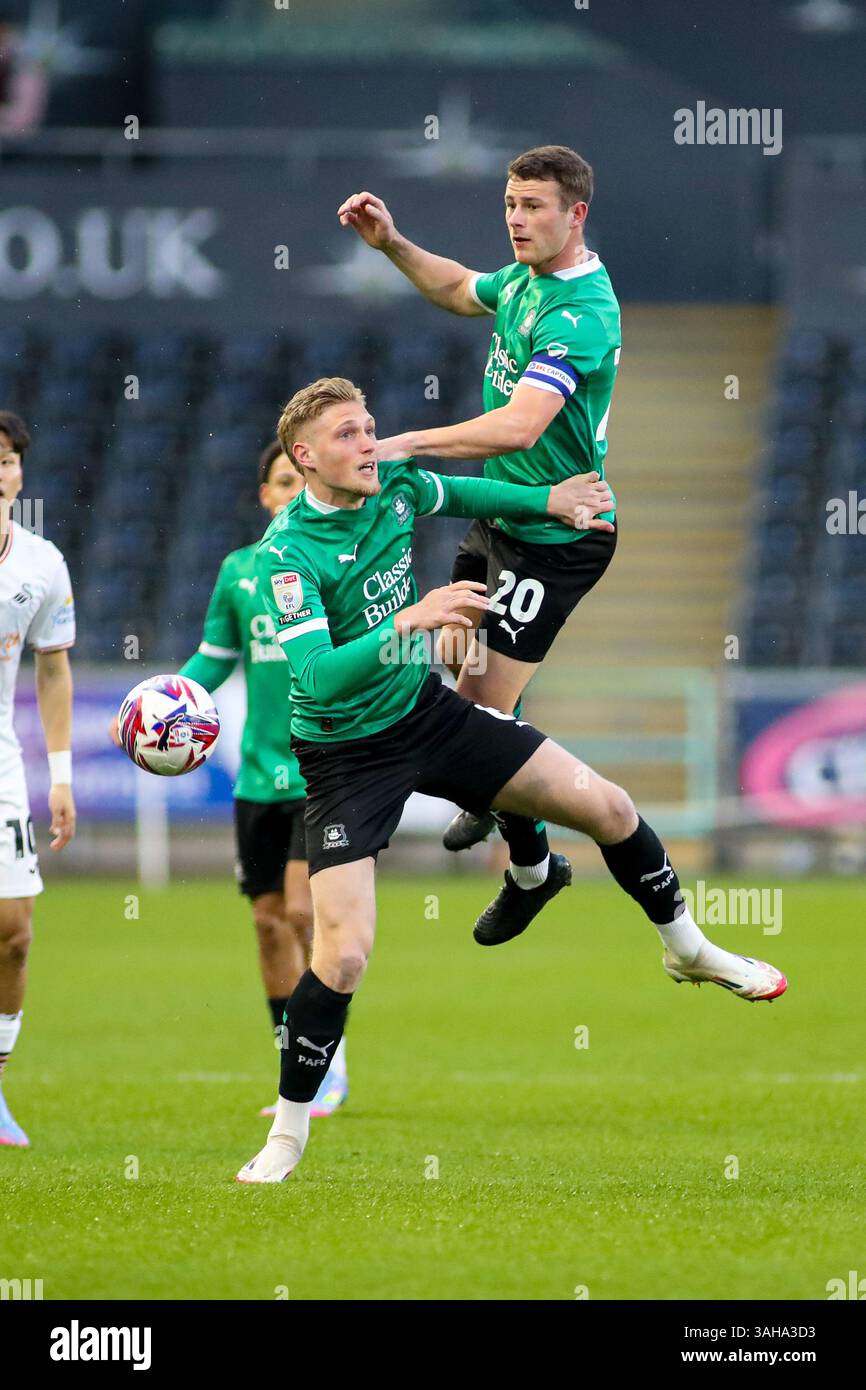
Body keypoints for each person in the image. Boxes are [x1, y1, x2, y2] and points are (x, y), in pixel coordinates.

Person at [235, 378, 786, 1185]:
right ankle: (287, 1137)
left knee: (607, 805)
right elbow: (316, 677)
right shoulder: (286, 555)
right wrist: (411, 620)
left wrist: (550, 502)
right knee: (343, 956)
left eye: (370, 426)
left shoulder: (395, 484)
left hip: (428, 716)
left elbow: (465, 488)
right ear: (303, 457)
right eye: (349, 435)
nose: (370, 444)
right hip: (347, 760)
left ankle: (688, 949)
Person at [338, 146, 621, 935]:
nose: (517, 219)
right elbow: (461, 288)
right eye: (509, 204)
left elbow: (519, 423)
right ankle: (517, 837)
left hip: (556, 534)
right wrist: (393, 242)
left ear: (576, 214)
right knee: (457, 666)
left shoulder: (582, 312)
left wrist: (403, 443)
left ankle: (530, 868)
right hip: (505, 514)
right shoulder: (524, 283)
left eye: (533, 206)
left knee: (474, 712)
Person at [109, 442, 347, 1117]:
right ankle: (292, 1058)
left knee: (306, 913)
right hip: (256, 781)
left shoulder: (328, 561)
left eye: (303, 482)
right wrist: (146, 709)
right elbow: (210, 664)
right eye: (281, 482)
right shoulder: (240, 572)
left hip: (320, 771)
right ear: (264, 495)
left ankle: (327, 1060)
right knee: (270, 924)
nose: (294, 492)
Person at [0, 410, 76, 1147]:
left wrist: (60, 776)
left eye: (8, 461)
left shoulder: (42, 563)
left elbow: (53, 669)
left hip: (3, 768)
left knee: (14, 934)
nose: (0, 473)